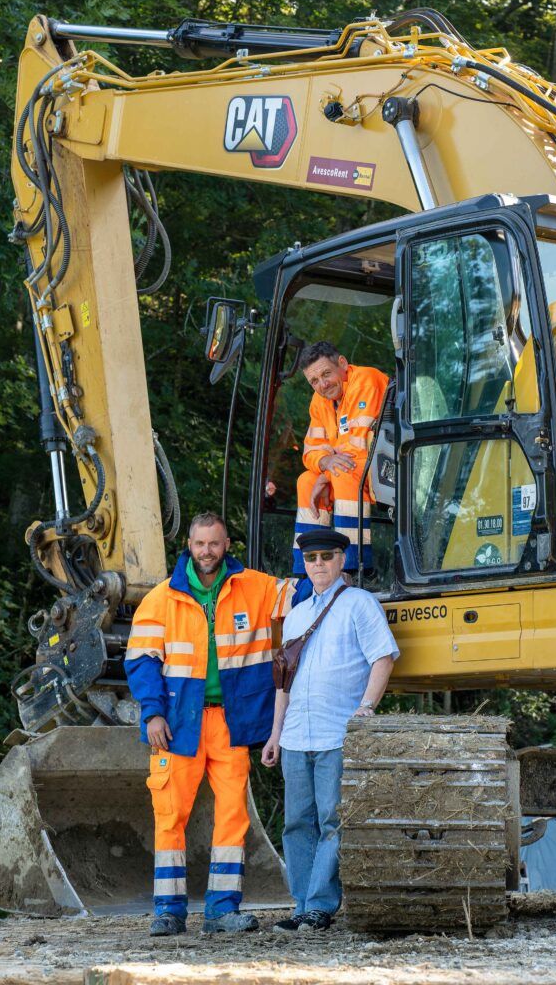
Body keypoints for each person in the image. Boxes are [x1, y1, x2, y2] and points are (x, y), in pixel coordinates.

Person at [124, 511, 298, 937]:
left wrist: (329, 556)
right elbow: (141, 661)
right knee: (170, 813)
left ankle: (222, 909)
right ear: (189, 544)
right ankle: (168, 911)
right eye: (200, 544)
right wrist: (152, 713)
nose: (207, 552)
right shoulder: (160, 599)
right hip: (178, 724)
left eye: (215, 543)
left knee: (233, 815)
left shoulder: (255, 587)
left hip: (231, 723)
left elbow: (309, 588)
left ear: (227, 545)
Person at [261, 528, 399, 931]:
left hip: (336, 734)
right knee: (295, 824)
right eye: (311, 558)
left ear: (343, 559)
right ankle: (302, 904)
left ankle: (321, 905)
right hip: (295, 737)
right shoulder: (298, 615)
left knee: (332, 822)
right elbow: (283, 683)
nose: (318, 564)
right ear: (303, 564)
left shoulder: (360, 603)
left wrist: (366, 709)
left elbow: (383, 658)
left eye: (326, 557)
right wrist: (274, 735)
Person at [292, 342, 389, 576]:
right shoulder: (319, 401)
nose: (322, 385)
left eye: (326, 374)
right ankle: (307, 568)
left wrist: (326, 474)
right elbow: (312, 450)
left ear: (343, 364)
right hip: (352, 472)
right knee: (306, 481)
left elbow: (359, 447)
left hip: (386, 468)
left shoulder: (366, 379)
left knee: (342, 471)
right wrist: (324, 464)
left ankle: (355, 567)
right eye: (314, 381)